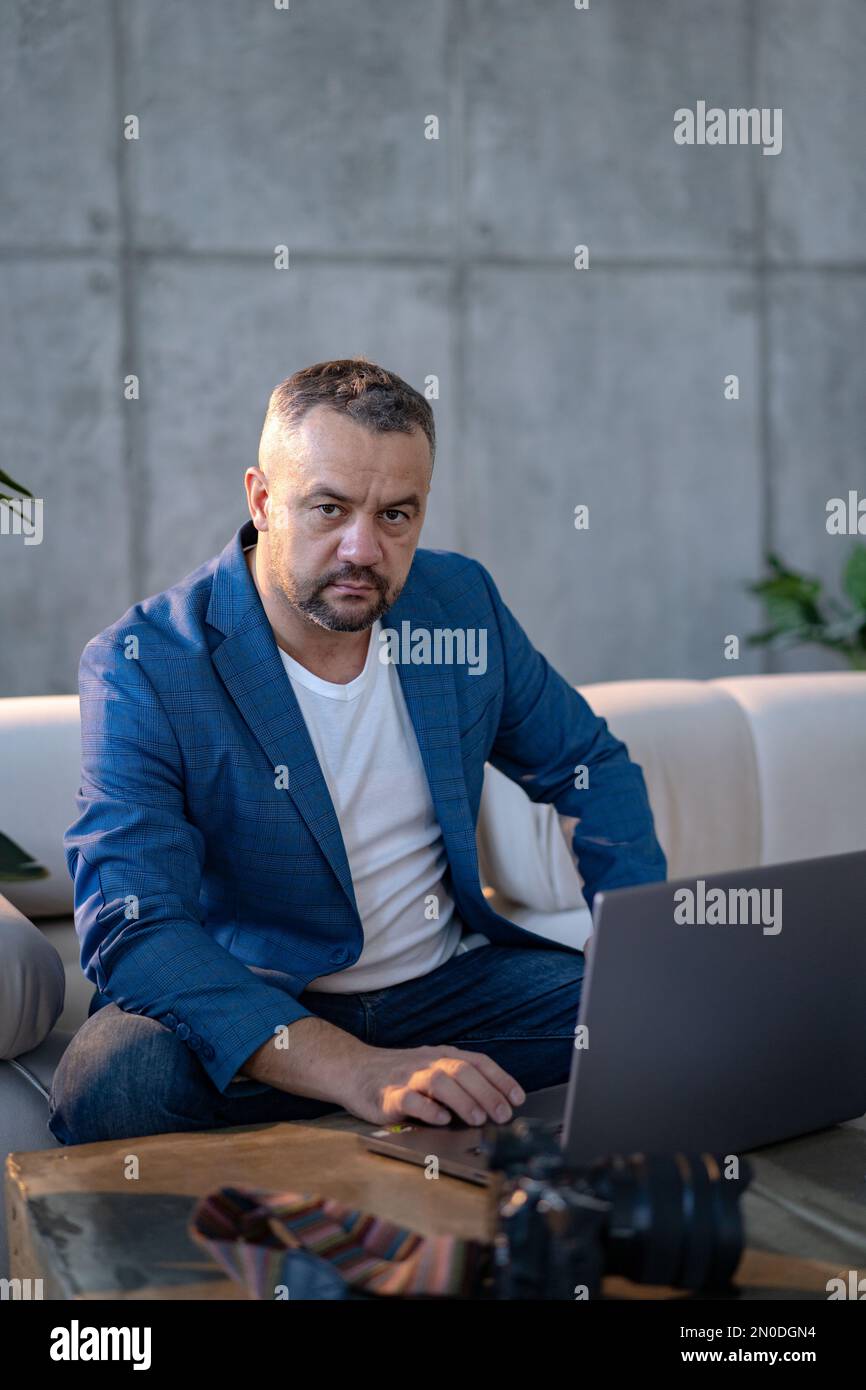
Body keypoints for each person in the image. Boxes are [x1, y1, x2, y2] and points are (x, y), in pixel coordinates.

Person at [48, 358, 666, 1145]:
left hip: (447, 991)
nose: (362, 549)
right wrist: (353, 1069)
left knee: (660, 1016)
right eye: (330, 508)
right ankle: (322, 1130)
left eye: (396, 516)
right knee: (119, 1082)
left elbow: (591, 767)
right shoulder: (146, 662)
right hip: (254, 1003)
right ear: (263, 500)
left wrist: (642, 950)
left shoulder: (458, 605)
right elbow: (134, 929)